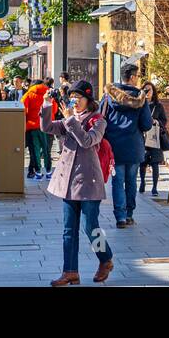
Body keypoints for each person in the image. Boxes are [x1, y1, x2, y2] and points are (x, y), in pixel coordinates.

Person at [41, 80, 114, 285]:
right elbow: (47, 127)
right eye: (71, 98)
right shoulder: (70, 118)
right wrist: (47, 105)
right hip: (68, 183)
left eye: (78, 98)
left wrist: (70, 120)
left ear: (88, 100)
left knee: (91, 227)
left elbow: (88, 141)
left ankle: (105, 258)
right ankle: (70, 271)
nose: (73, 101)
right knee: (68, 229)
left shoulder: (98, 120)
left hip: (89, 183)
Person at [100, 64, 153, 228]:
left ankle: (120, 217)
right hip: (133, 147)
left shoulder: (108, 96)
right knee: (131, 181)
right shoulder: (140, 98)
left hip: (114, 148)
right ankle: (129, 214)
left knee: (117, 182)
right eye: (137, 75)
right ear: (132, 77)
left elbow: (101, 119)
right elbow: (146, 125)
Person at [138, 80, 169, 196]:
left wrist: (157, 121)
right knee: (143, 163)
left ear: (153, 92)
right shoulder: (139, 104)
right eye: (145, 90)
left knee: (155, 163)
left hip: (155, 138)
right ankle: (142, 183)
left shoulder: (158, 106)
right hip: (142, 138)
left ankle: (155, 187)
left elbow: (164, 120)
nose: (147, 92)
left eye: (149, 90)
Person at [21, 79, 52, 179]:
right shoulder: (48, 94)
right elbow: (54, 109)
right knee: (47, 149)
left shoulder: (28, 94)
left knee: (35, 150)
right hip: (47, 125)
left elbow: (22, 110)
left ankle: (38, 172)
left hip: (32, 126)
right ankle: (49, 172)